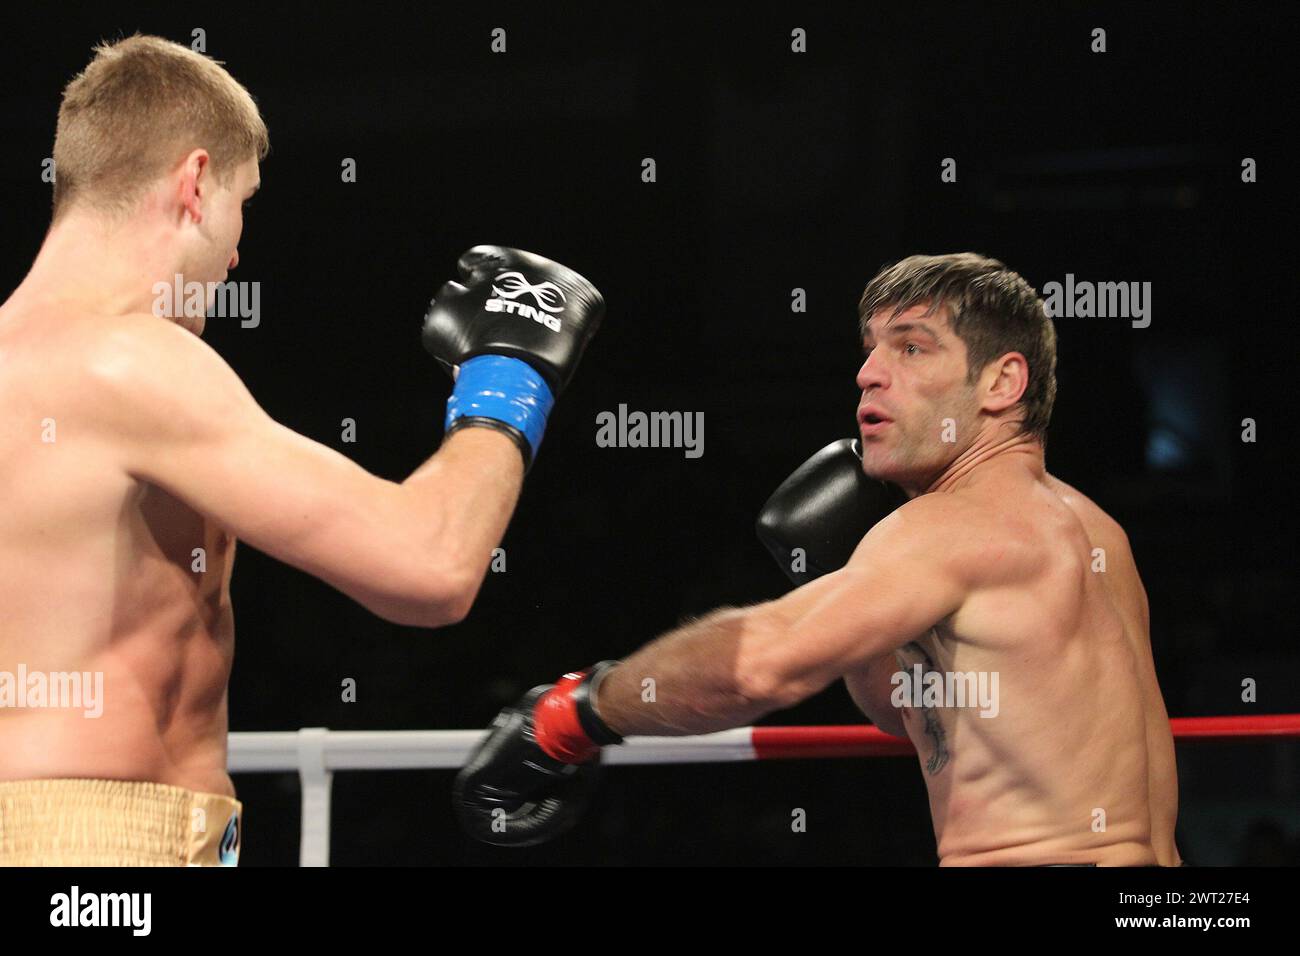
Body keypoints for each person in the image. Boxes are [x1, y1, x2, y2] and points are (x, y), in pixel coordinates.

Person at [0, 34, 603, 865]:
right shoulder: (129, 360)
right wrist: (510, 378)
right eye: (243, 204)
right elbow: (430, 567)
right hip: (102, 853)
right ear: (196, 182)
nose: (238, 249)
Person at [456, 252, 1183, 867]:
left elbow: (763, 664)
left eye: (911, 347)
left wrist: (572, 713)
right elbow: (919, 718)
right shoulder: (1095, 531)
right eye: (870, 349)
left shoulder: (950, 527)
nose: (869, 373)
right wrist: (846, 590)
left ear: (1002, 383)